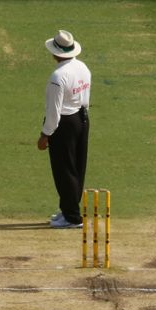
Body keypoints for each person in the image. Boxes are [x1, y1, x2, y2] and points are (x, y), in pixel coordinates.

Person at [36, 30, 91, 229]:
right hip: (82, 118)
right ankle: (69, 209)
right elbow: (85, 97)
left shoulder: (57, 77)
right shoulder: (82, 67)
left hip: (64, 125)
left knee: (64, 170)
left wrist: (45, 135)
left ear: (55, 53)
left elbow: (54, 112)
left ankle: (72, 218)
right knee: (77, 167)